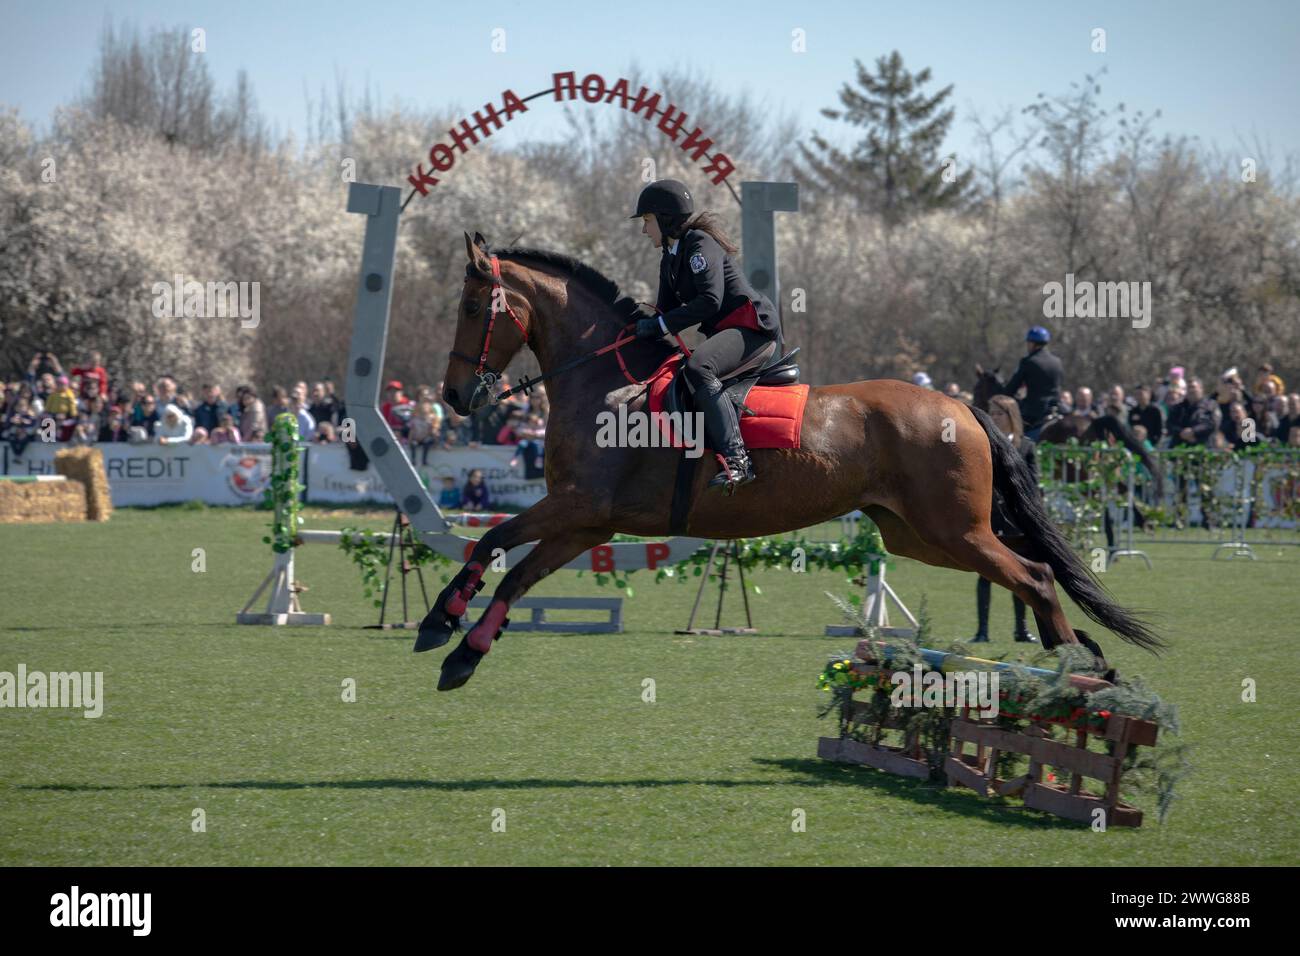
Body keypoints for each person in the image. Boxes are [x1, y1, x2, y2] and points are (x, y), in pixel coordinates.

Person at [631, 178, 782, 493]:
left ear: (664, 218)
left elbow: (709, 301)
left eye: (647, 221)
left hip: (753, 331)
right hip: (729, 332)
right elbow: (665, 311)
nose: (645, 230)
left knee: (699, 368)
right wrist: (633, 329)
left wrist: (660, 326)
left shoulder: (700, 244)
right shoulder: (670, 255)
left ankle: (738, 460)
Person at [971, 395, 1038, 644]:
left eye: (999, 413)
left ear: (1012, 417)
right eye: (992, 412)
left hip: (1016, 520)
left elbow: (1033, 484)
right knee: (985, 573)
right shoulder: (980, 442)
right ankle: (982, 632)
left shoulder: (1027, 446)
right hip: (989, 517)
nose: (995, 417)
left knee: (1019, 574)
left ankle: (1021, 630)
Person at [999, 326, 1062, 441]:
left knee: (1014, 433)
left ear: (1032, 343)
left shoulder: (1028, 362)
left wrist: (1003, 395)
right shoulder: (1057, 361)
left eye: (1028, 342)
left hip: (1035, 410)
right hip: (1057, 406)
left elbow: (1012, 388)